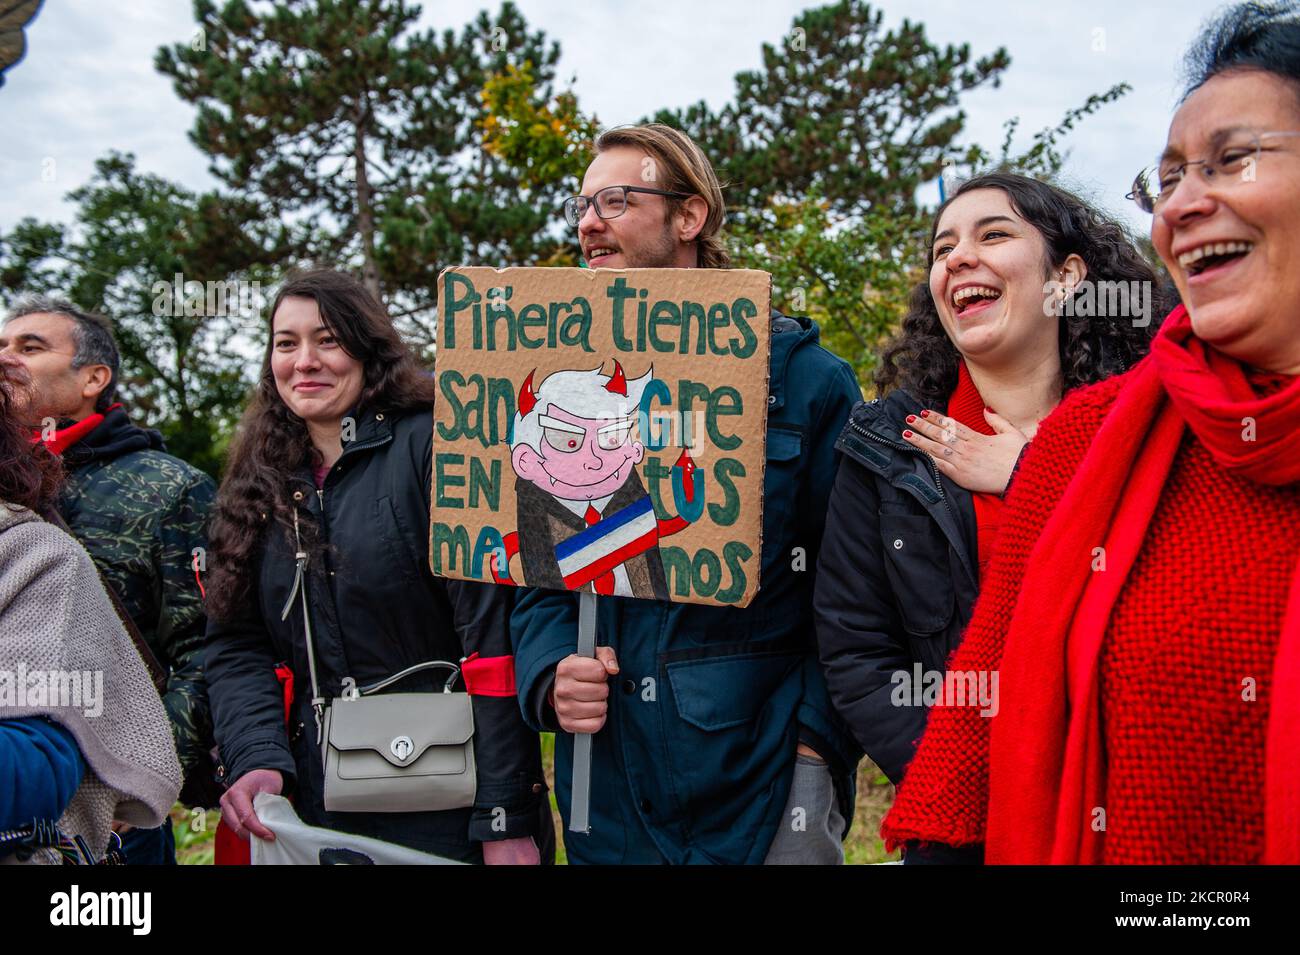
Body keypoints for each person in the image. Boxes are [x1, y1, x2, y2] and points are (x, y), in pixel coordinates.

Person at [881, 0, 1300, 864]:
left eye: (1230, 161)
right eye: (1169, 179)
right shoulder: (1090, 441)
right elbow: (963, 719)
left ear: (1068, 276)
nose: (1184, 204)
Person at [511, 123, 862, 864]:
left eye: (614, 199)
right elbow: (534, 569)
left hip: (765, 781)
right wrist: (549, 674)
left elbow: (853, 592)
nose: (586, 222)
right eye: (580, 204)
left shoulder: (807, 381)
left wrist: (814, 749)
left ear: (689, 217)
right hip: (606, 790)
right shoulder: (563, 384)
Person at [814, 173, 1162, 788]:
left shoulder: (1149, 420)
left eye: (994, 234)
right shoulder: (885, 443)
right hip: (964, 814)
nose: (958, 258)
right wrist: (954, 781)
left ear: (1067, 277)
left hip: (1129, 788)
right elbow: (857, 651)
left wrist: (1032, 476)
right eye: (942, 249)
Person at [203, 269, 551, 864]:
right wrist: (257, 756)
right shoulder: (256, 481)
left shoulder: (437, 446)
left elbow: (492, 641)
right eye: (286, 343)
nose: (305, 361)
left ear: (368, 349)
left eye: (328, 339)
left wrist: (504, 817)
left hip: (452, 806)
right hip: (318, 809)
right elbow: (236, 644)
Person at [0, 295, 216, 865]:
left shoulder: (171, 487)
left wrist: (137, 774)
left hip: (116, 815)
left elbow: (204, 650)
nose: (6, 358)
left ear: (95, 376)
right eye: (1, 346)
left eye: (30, 346)